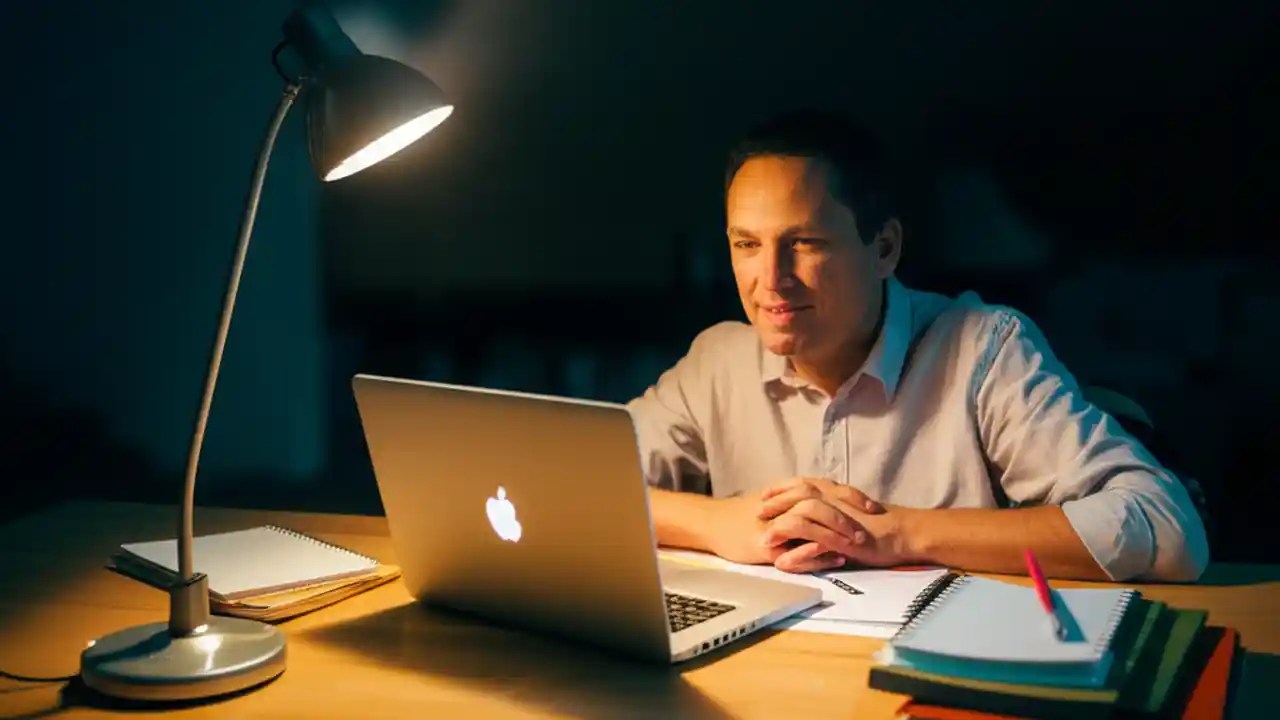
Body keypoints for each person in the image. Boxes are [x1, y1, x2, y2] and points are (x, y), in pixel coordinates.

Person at [627, 110, 1208, 582]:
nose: (770, 277)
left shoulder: (983, 348)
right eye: (747, 244)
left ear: (883, 249)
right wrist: (722, 523)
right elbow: (569, 485)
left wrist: (894, 533)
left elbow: (1168, 528)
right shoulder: (719, 361)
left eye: (803, 243)